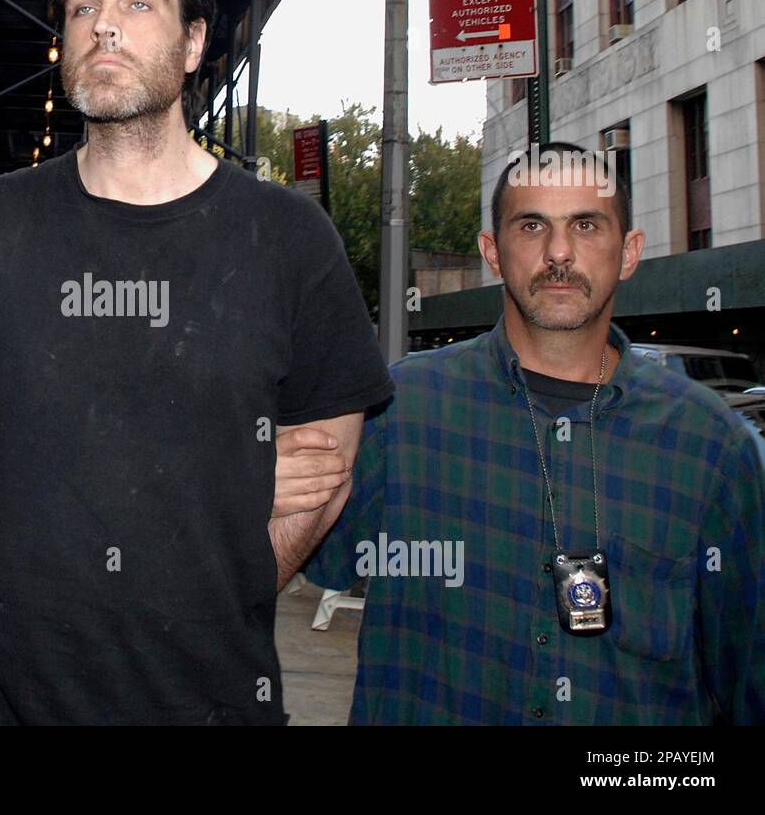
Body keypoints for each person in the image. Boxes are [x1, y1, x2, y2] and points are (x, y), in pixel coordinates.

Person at [0, 0, 393, 725]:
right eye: (83, 6)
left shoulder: (287, 237)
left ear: (194, 40)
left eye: (139, 1)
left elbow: (322, 469)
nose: (106, 26)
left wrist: (206, 591)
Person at [305, 141, 764, 724]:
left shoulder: (711, 446)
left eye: (587, 225)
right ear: (493, 253)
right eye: (531, 226)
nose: (559, 252)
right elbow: (294, 558)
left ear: (628, 253)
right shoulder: (397, 412)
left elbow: (746, 675)